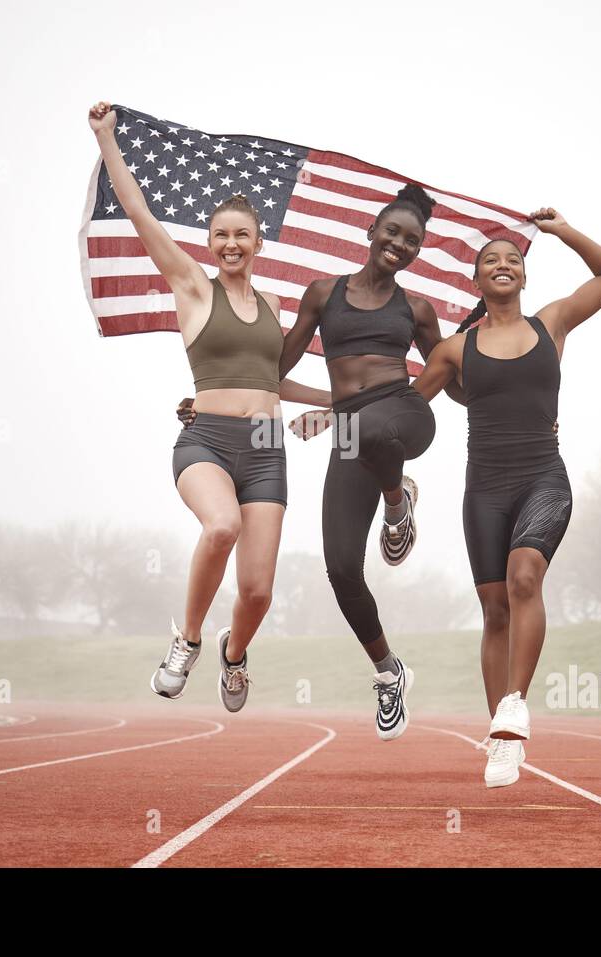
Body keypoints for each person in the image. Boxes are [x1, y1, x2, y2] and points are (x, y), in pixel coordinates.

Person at [180, 184, 464, 740]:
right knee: (340, 568)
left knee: (380, 424)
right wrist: (209, 401)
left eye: (412, 241)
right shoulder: (322, 294)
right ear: (371, 233)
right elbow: (270, 373)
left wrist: (490, 372)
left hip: (405, 417)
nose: (399, 244)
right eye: (392, 232)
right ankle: (388, 672)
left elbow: (452, 376)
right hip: (353, 435)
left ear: (416, 251)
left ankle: (395, 500)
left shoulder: (418, 309)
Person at [89, 101, 331, 712]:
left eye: (241, 236)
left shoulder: (276, 305)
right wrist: (107, 141)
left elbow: (277, 382)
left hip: (265, 451)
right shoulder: (193, 288)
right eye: (220, 235)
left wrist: (338, 404)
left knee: (257, 592)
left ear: (257, 243)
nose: (230, 244)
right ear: (209, 242)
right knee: (220, 526)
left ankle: (234, 653)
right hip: (207, 442)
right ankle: (188, 641)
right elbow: (141, 215)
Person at [412, 208, 601, 786]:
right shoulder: (455, 350)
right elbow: (405, 414)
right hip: (483, 489)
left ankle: (514, 706)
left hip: (543, 478)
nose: (503, 265)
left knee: (525, 577)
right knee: (494, 609)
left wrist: (562, 231)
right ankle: (501, 742)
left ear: (525, 278)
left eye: (514, 260)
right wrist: (335, 418)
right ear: (476, 282)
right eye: (490, 261)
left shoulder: (552, 323)